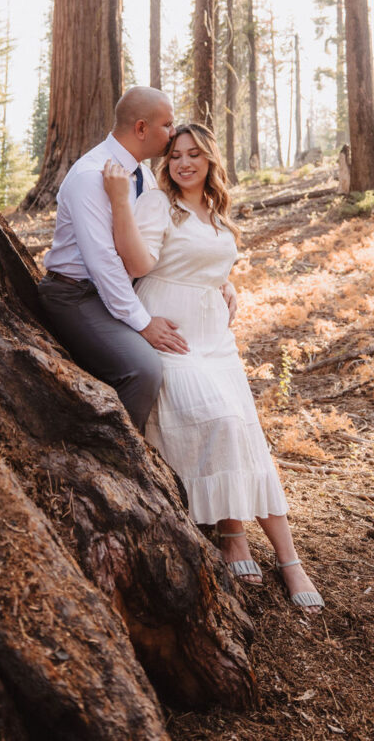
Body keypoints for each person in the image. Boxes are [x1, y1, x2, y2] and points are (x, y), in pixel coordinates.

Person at [102, 122, 324, 611]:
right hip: (170, 336)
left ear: (210, 161)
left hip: (217, 341)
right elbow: (136, 263)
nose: (183, 162)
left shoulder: (217, 208)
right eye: (175, 154)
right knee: (220, 423)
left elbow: (216, 263)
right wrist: (121, 201)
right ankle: (231, 531)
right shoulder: (160, 202)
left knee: (246, 433)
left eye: (194, 154)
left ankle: (289, 559)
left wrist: (228, 286)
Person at [39, 87, 194, 432]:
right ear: (141, 128)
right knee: (144, 369)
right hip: (77, 295)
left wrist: (217, 282)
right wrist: (143, 323)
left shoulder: (144, 174)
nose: (173, 133)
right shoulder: (89, 176)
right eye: (167, 125)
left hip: (118, 291)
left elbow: (162, 239)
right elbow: (103, 263)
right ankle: (114, 456)